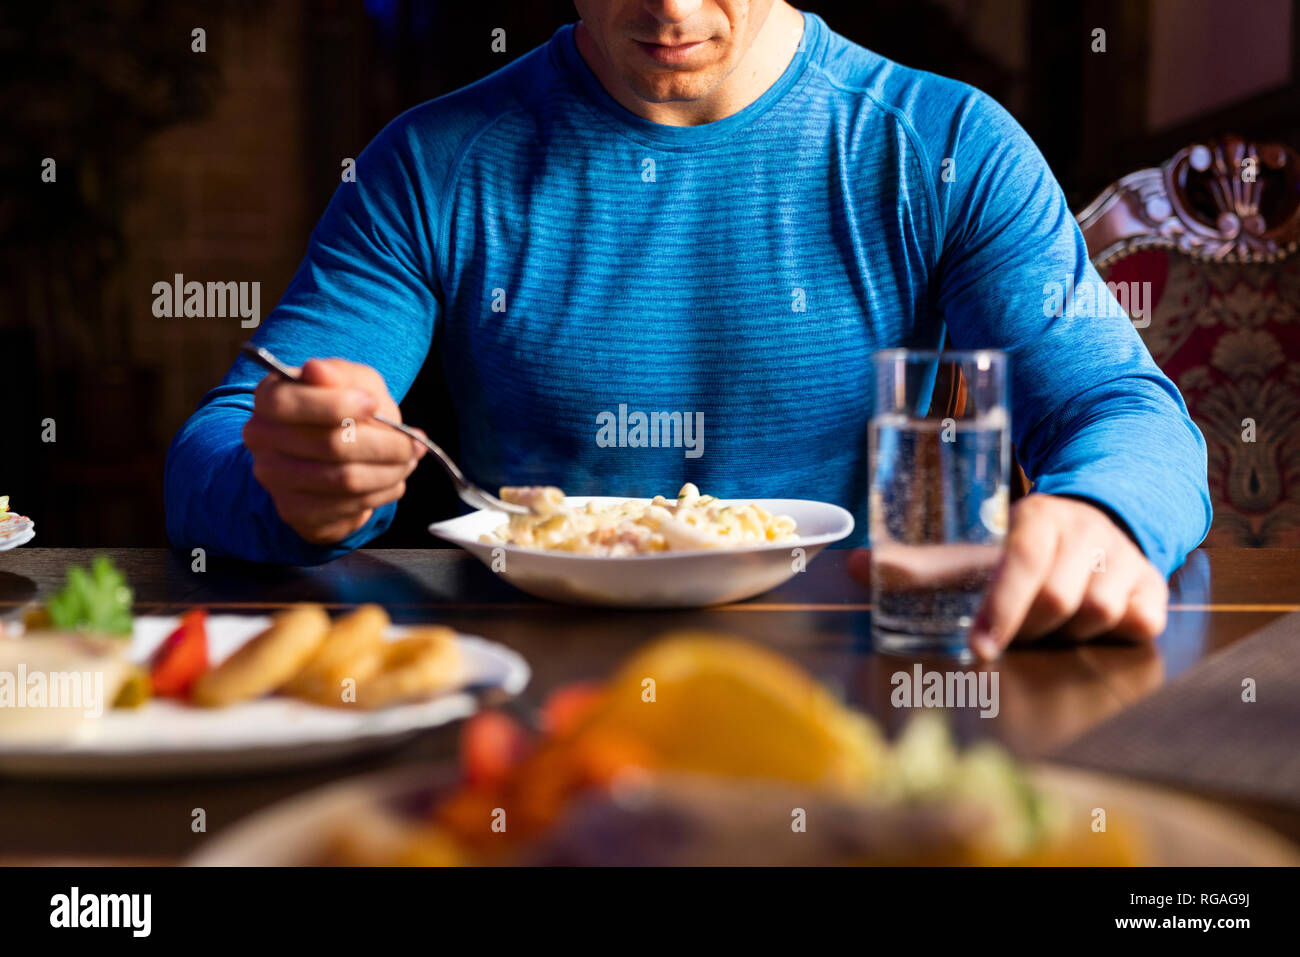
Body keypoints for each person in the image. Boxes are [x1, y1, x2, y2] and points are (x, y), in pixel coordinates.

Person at [166, 1, 1212, 660]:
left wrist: (1099, 514)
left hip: (855, 677)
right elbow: (209, 455)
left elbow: (1122, 413)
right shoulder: (433, 163)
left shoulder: (944, 146)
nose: (669, 6)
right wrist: (294, 481)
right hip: (534, 692)